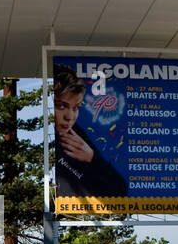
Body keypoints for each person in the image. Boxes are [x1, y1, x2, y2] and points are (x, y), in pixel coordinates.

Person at [52, 64, 128, 199]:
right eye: (61, 106)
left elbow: (120, 191)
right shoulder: (46, 137)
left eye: (76, 107)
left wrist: (92, 159)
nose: (69, 116)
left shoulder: (75, 136)